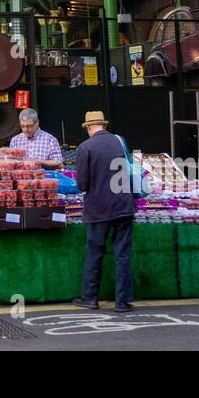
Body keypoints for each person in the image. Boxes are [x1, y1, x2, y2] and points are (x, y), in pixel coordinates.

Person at [73, 110, 137, 313]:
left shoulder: (85, 147)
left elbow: (82, 184)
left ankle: (90, 298)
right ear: (104, 125)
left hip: (98, 209)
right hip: (124, 206)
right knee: (123, 254)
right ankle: (123, 302)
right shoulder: (120, 142)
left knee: (95, 253)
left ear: (89, 127)